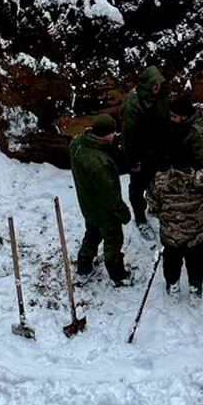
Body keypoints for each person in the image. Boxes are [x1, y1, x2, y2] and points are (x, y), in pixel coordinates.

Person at [69, 114, 132, 286]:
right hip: (105, 213)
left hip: (88, 204)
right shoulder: (100, 164)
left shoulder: (77, 143)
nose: (115, 135)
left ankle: (84, 264)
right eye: (113, 132)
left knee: (92, 233)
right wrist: (124, 213)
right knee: (113, 241)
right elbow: (109, 197)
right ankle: (118, 275)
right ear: (104, 134)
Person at [146, 144, 203, 298]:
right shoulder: (201, 178)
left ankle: (173, 286)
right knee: (196, 261)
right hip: (195, 232)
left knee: (171, 261)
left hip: (170, 234)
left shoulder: (160, 180)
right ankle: (195, 288)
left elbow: (153, 203)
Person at [119, 66, 171, 237]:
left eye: (159, 83)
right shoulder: (132, 104)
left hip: (160, 150)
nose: (158, 87)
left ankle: (155, 207)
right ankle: (140, 218)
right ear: (148, 85)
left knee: (158, 182)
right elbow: (129, 137)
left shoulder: (160, 94)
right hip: (142, 154)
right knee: (137, 187)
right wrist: (133, 162)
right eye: (155, 84)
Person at [168, 96, 203, 183]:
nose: (171, 119)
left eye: (174, 116)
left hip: (197, 181)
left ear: (184, 117)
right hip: (182, 174)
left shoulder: (199, 135)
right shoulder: (181, 126)